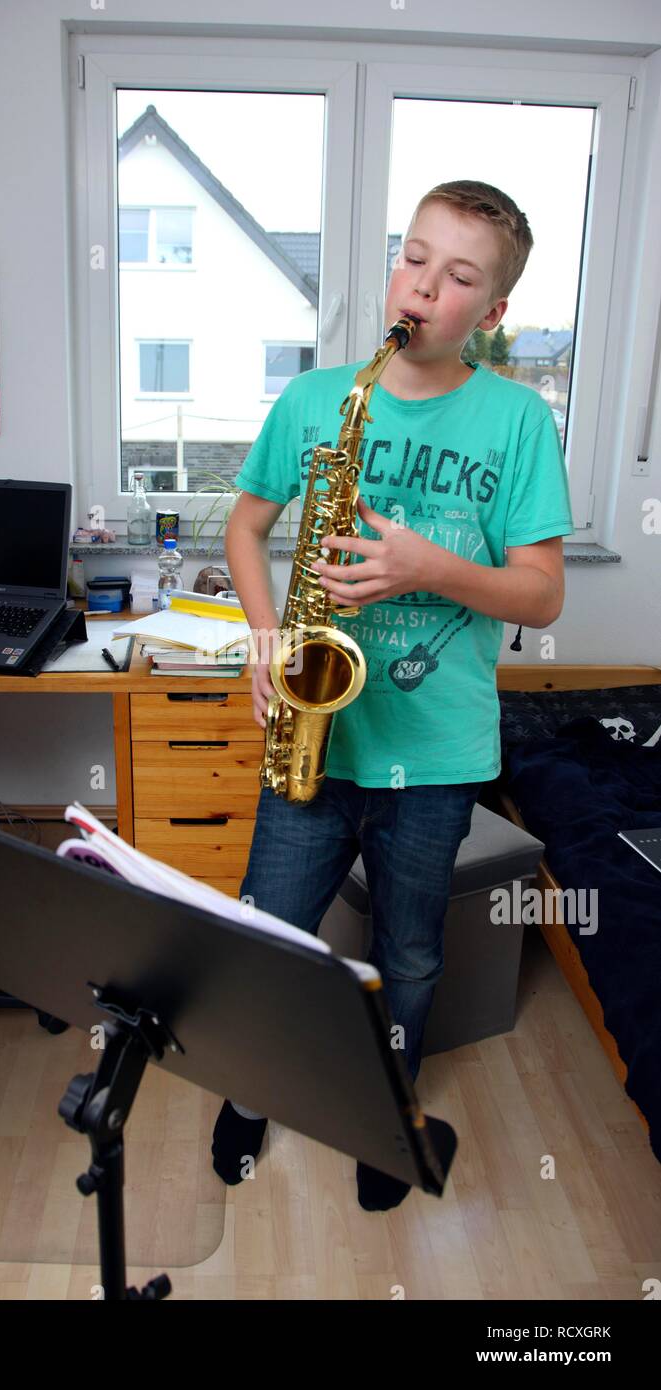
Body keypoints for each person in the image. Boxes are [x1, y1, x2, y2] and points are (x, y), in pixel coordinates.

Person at [213, 180, 575, 1212]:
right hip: (315, 736)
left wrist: (427, 566)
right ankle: (250, 1091)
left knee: (409, 951)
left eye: (459, 275)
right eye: (414, 257)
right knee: (267, 936)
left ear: (492, 314)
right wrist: (268, 638)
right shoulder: (317, 399)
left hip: (440, 752)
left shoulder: (516, 421)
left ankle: (391, 1106)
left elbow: (542, 592)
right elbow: (243, 529)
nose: (424, 284)